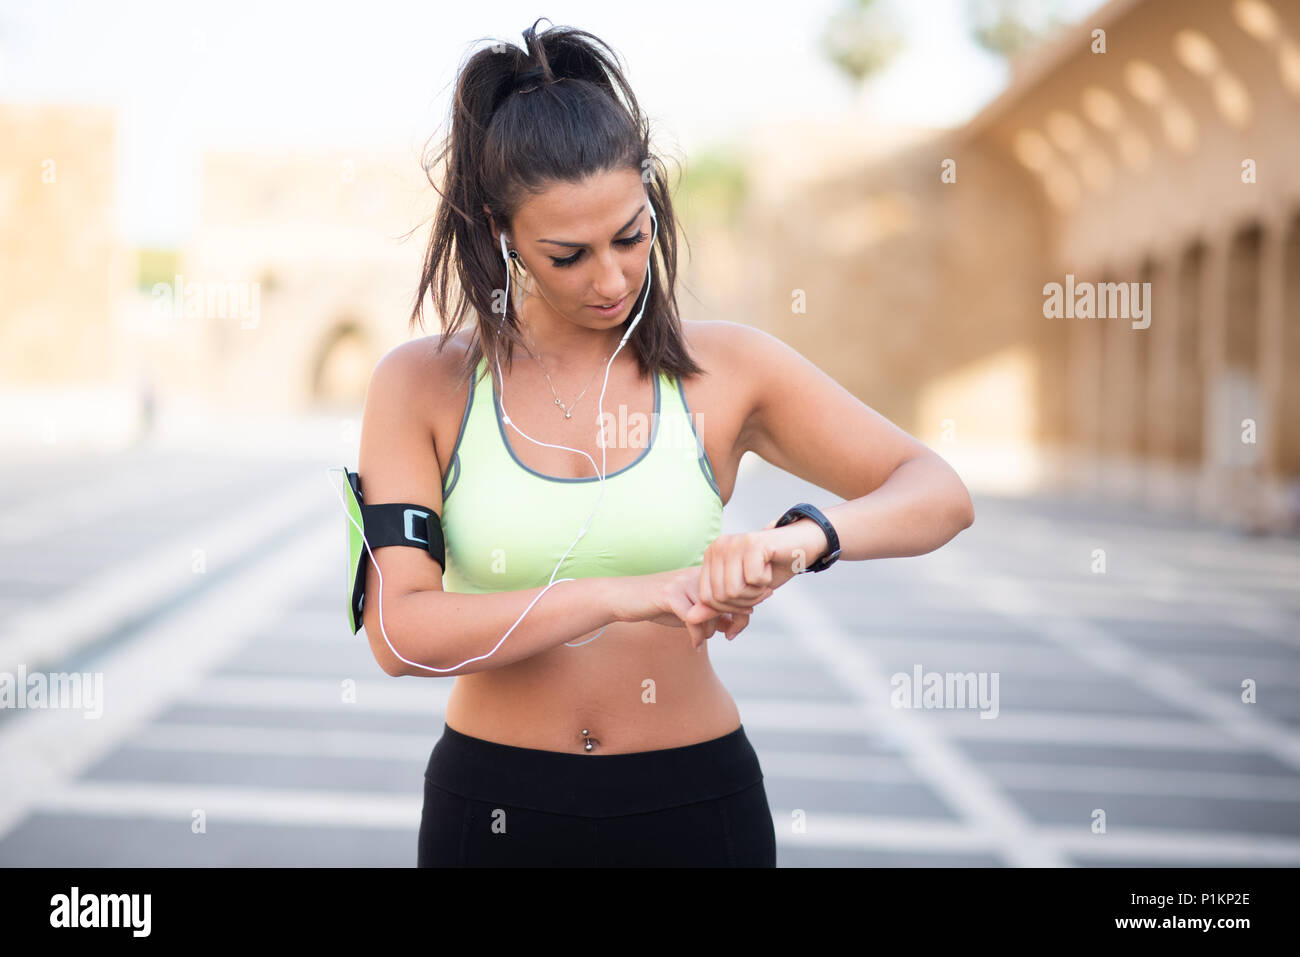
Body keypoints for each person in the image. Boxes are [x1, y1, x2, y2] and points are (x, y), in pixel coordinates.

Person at [355, 19, 975, 867]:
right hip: (494, 809)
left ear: (651, 198)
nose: (611, 279)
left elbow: (937, 491)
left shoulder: (727, 368)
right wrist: (621, 595)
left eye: (631, 236)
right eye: (567, 254)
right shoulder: (421, 384)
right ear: (502, 233)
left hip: (694, 806)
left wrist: (800, 540)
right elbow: (400, 635)